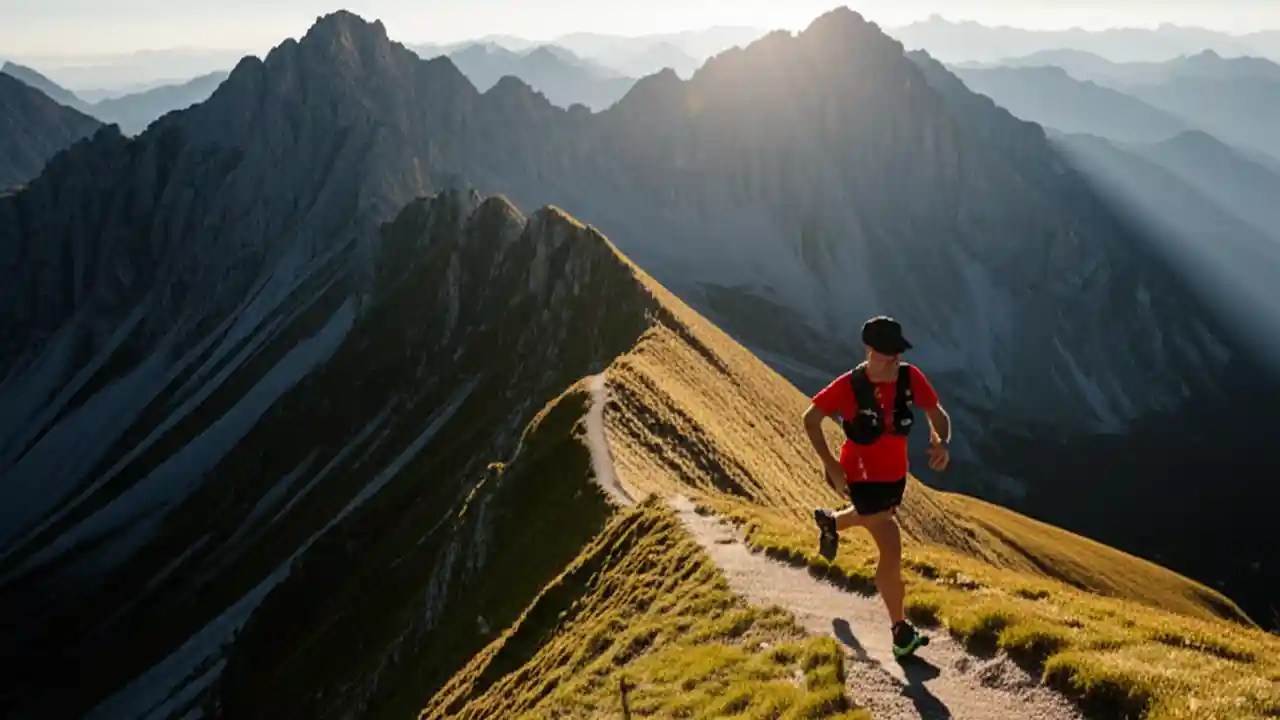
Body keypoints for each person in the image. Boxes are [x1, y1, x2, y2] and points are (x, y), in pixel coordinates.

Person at [802, 316, 951, 659]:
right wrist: (833, 467)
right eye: (886, 356)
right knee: (890, 543)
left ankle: (832, 522)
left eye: (897, 355)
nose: (893, 362)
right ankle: (900, 633)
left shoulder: (910, 377)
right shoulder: (848, 386)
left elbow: (937, 413)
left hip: (895, 476)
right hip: (860, 475)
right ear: (869, 351)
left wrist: (941, 441)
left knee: (877, 517)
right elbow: (810, 419)